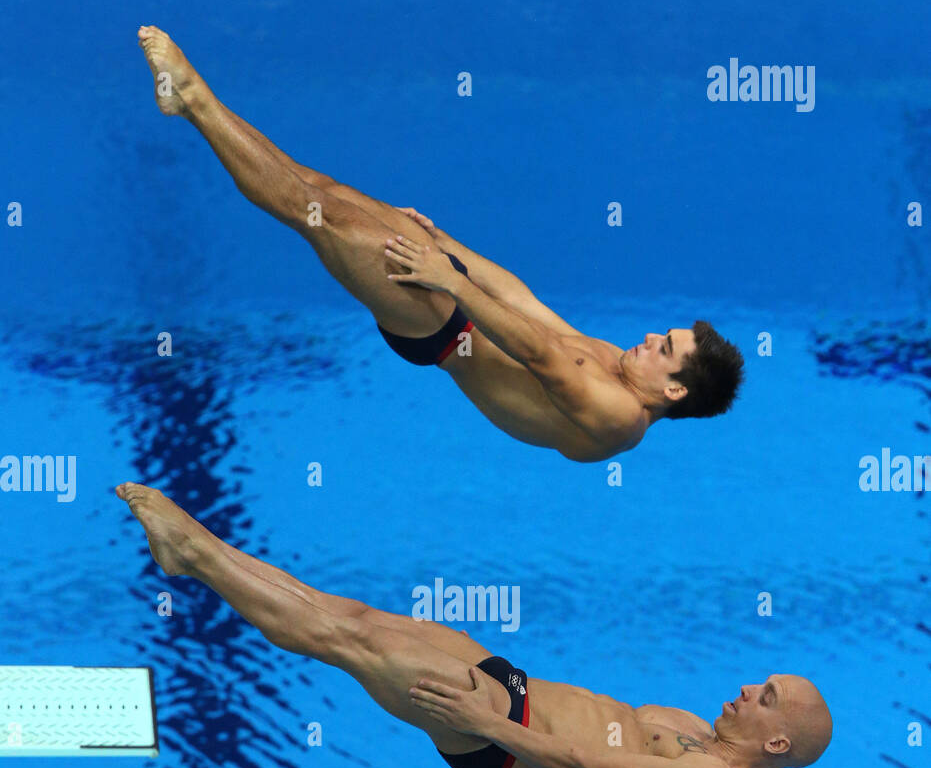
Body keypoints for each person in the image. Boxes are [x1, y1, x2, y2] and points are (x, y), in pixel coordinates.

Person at [137, 26, 744, 462]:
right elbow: (527, 304)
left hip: (440, 327)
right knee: (320, 188)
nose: (648, 338)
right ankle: (187, 102)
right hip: (450, 293)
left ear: (674, 391)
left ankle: (193, 99)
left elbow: (539, 357)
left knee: (311, 215)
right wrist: (447, 245)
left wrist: (449, 280)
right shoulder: (615, 361)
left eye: (664, 347)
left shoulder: (620, 420)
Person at [116, 483, 832, 768]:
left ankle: (195, 554)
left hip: (495, 732)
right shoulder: (694, 732)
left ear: (776, 743)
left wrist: (479, 719)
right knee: (356, 618)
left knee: (344, 641)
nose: (746, 687)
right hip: (509, 687)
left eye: (765, 696)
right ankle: (200, 550)